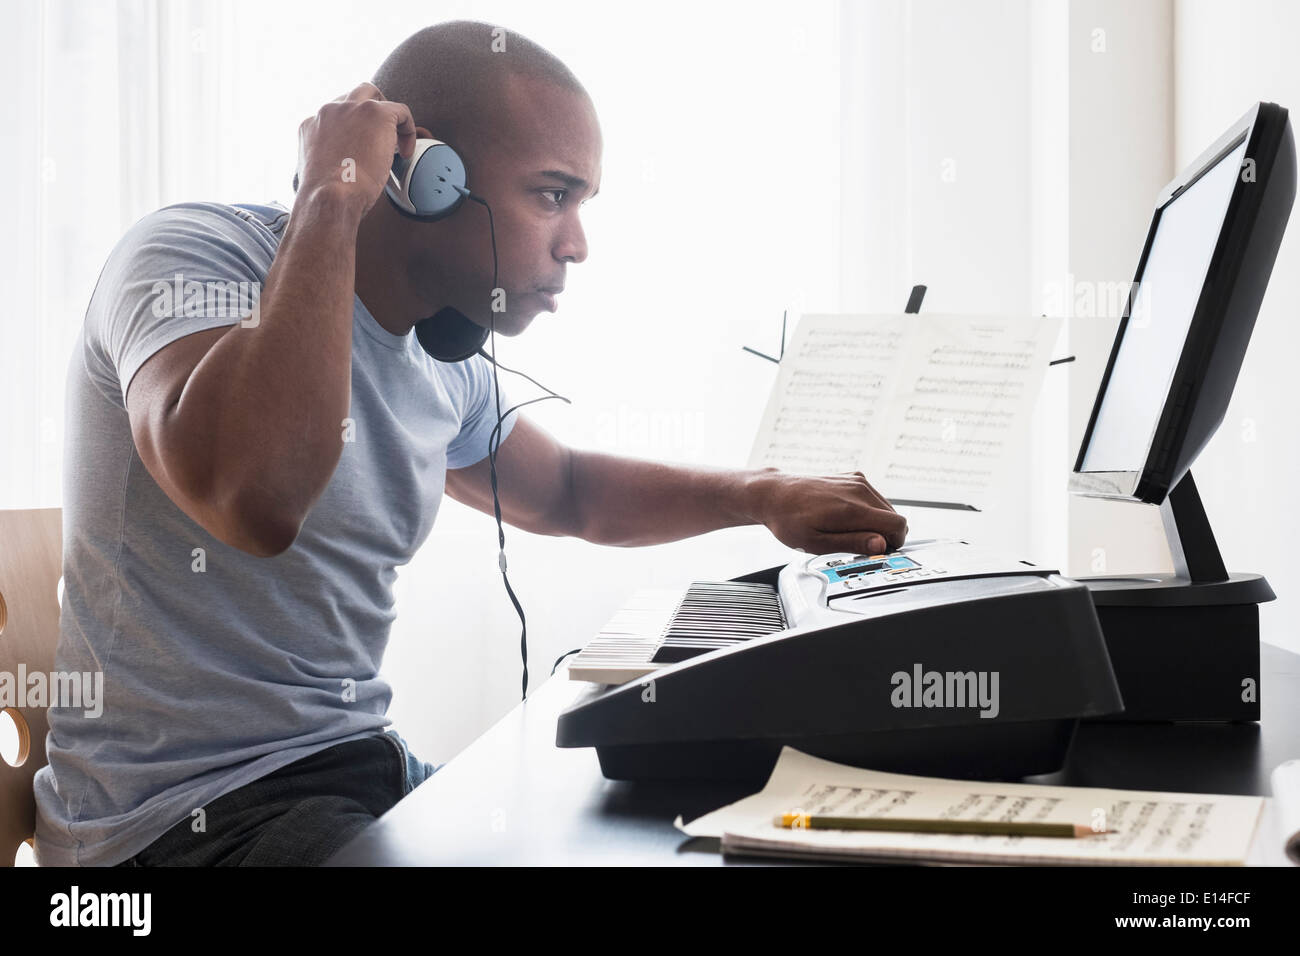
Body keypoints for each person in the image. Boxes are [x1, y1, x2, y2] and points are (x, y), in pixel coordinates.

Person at [33, 20, 906, 867]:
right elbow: (248, 495)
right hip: (184, 829)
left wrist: (761, 494)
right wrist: (333, 195)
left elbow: (565, 489)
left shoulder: (438, 348)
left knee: (646, 830)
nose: (578, 245)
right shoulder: (192, 258)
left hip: (356, 775)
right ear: (428, 177)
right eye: (552, 194)